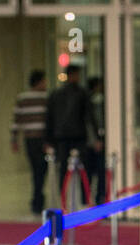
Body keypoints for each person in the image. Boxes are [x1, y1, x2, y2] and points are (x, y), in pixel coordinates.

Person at [45, 65, 100, 205]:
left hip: (62, 136)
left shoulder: (56, 94)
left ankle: (63, 198)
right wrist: (96, 138)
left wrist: (49, 139)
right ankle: (84, 198)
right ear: (73, 75)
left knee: (64, 169)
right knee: (81, 168)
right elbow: (89, 117)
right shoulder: (81, 93)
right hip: (77, 136)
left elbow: (49, 119)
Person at [11, 70, 49, 216]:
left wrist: (14, 139)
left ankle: (37, 199)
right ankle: (38, 199)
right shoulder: (44, 98)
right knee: (39, 170)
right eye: (44, 81)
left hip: (33, 139)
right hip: (37, 139)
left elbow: (16, 120)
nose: (45, 84)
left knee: (37, 170)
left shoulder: (23, 98)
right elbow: (17, 119)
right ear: (38, 82)